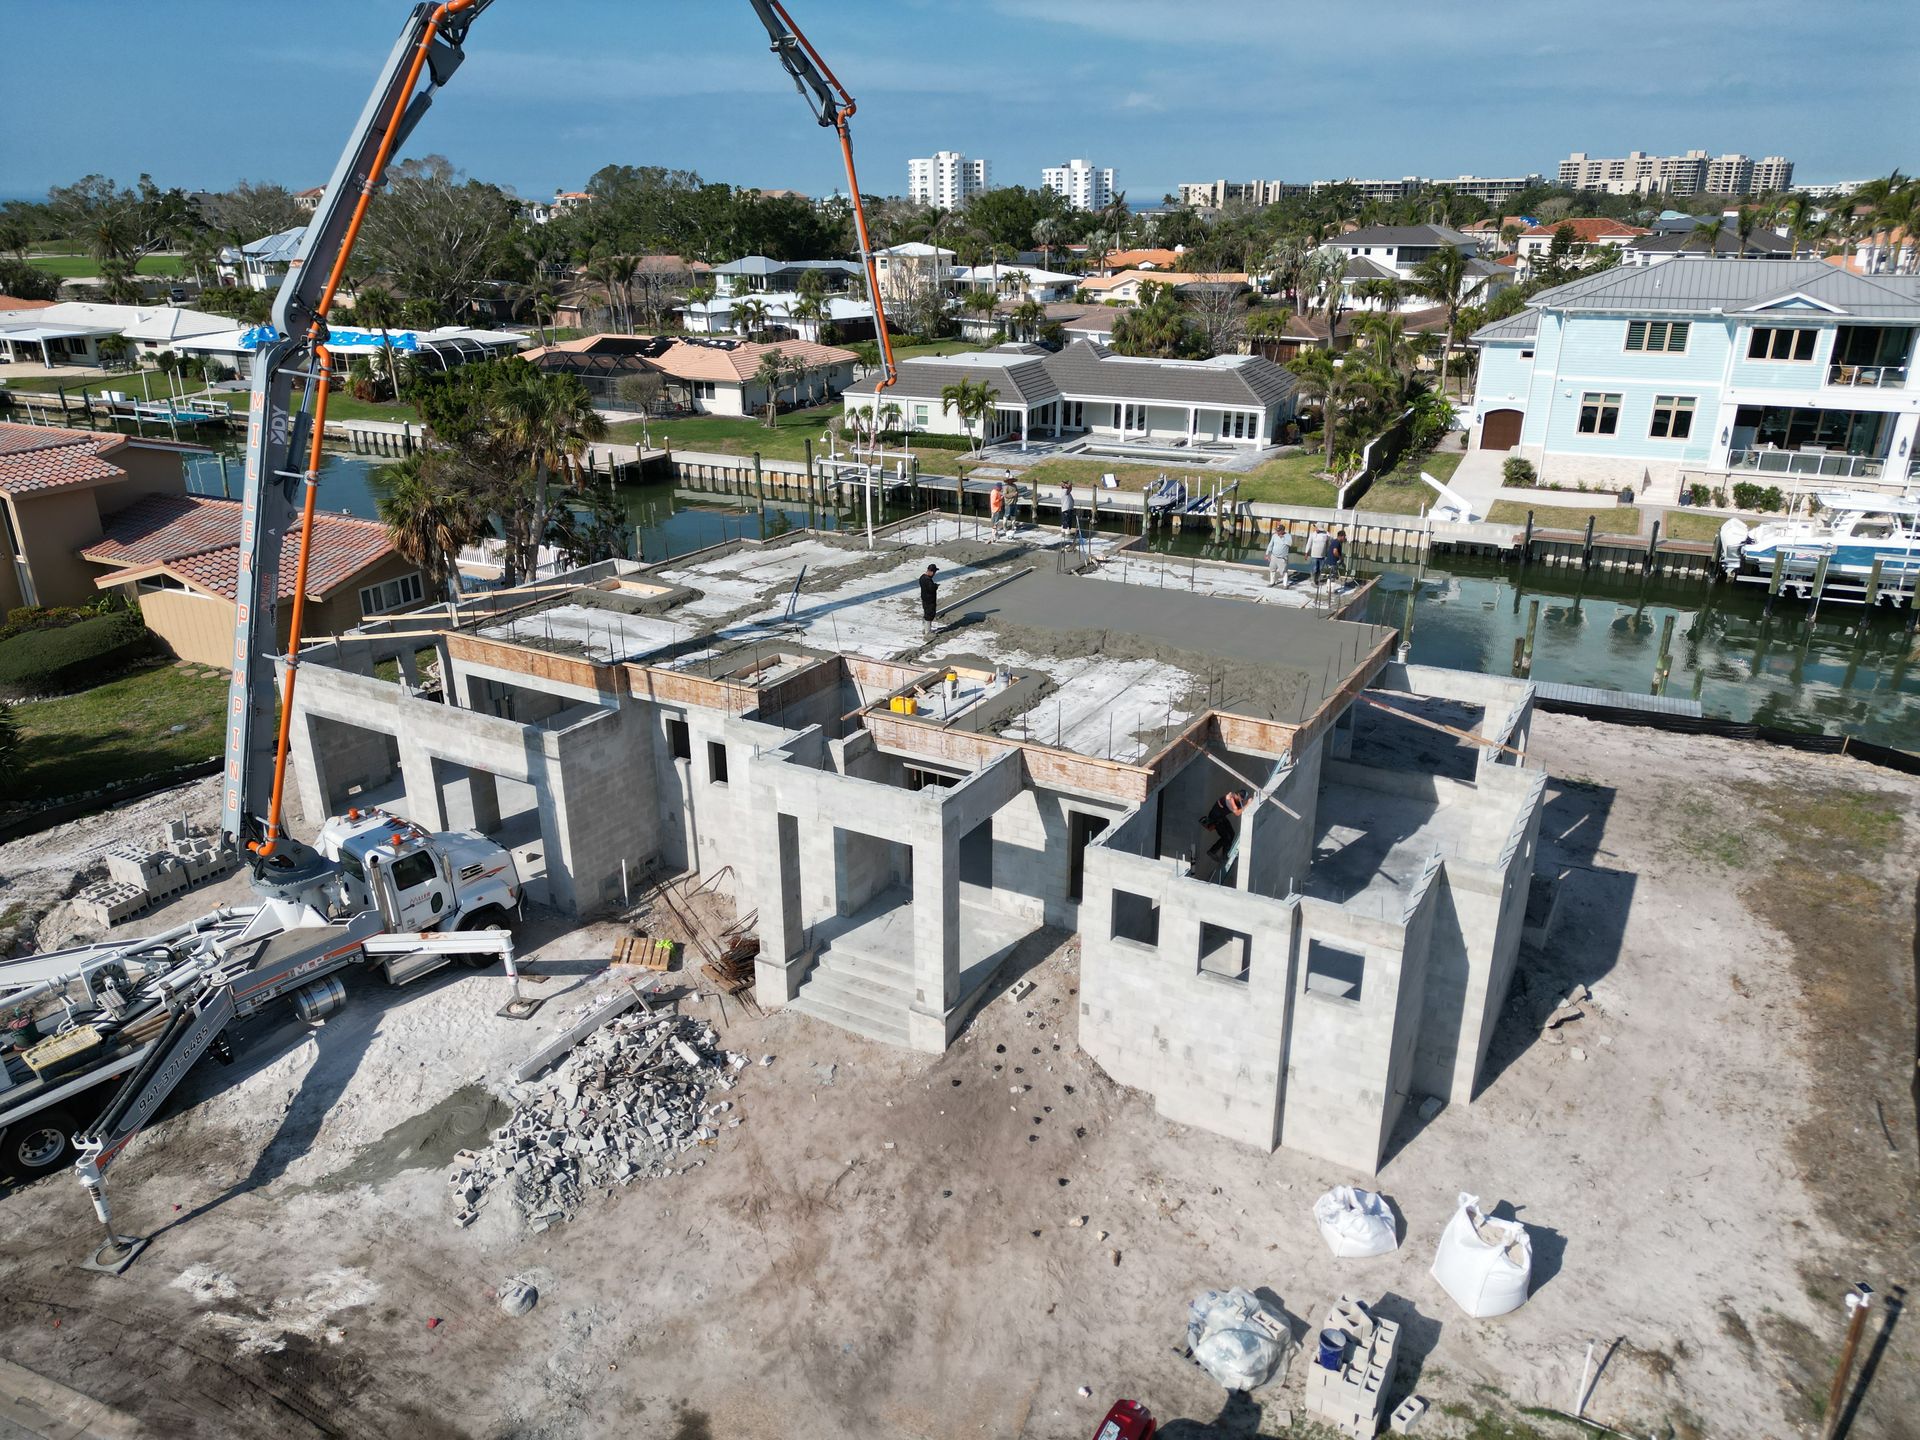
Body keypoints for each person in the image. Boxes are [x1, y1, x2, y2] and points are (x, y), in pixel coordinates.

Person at [1201, 788, 1251, 862]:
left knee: (1232, 834)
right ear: (1240, 797)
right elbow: (1237, 813)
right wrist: (1248, 804)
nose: (1243, 801)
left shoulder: (1236, 798)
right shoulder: (1230, 798)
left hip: (1221, 817)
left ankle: (1225, 854)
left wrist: (1246, 804)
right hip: (1215, 819)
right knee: (1226, 837)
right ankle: (1213, 851)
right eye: (1242, 799)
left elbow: (1240, 807)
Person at [1264, 520, 1293, 587]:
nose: (1277, 532)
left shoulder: (1288, 536)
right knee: (1272, 569)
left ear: (1282, 530)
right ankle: (1272, 582)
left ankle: (1285, 584)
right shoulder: (1274, 535)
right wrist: (1267, 553)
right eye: (1277, 530)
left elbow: (1290, 544)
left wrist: (1282, 538)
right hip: (1274, 556)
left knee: (1284, 571)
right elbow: (1270, 544)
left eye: (1279, 531)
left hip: (1282, 558)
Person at [919, 563, 938, 635]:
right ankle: (928, 632)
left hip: (924, 599)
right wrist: (935, 586)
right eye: (934, 572)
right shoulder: (928, 580)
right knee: (929, 615)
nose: (934, 574)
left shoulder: (922, 577)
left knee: (926, 613)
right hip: (930, 600)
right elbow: (931, 589)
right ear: (931, 572)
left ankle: (924, 629)